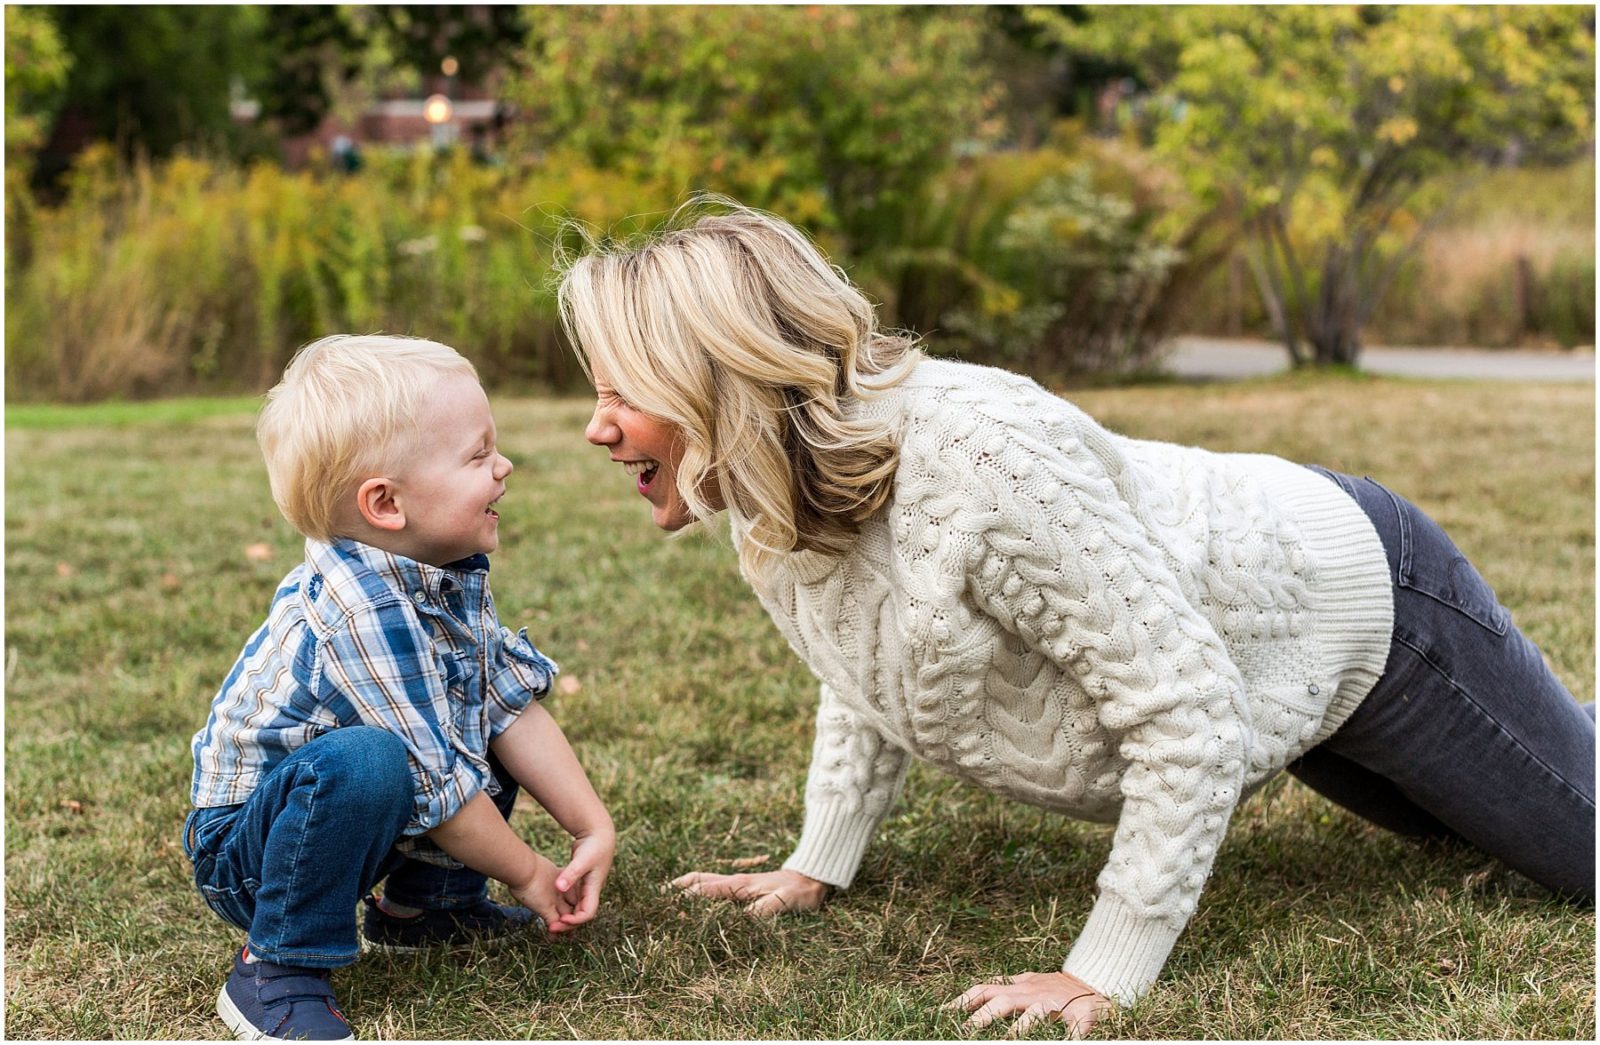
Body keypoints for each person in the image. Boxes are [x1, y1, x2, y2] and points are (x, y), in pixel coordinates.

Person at [557, 201, 1594, 1036]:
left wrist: (1102, 968)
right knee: (1481, 824)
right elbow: (863, 655)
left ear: (721, 383)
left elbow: (1187, 709)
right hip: (1271, 661)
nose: (597, 428)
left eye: (622, 393)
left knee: (1579, 849)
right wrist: (815, 858)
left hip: (1362, 610)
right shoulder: (766, 496)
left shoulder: (978, 463)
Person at [185, 335, 615, 1041]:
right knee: (370, 759)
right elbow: (434, 782)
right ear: (386, 503)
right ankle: (275, 965)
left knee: (454, 711)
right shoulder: (363, 608)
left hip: (354, 817)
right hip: (254, 852)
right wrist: (532, 871)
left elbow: (504, 703)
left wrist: (591, 825)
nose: (504, 467)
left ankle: (430, 906)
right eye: (478, 455)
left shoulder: (444, 568)